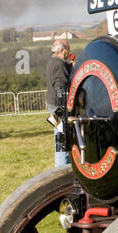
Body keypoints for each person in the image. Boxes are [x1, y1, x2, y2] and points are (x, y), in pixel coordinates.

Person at [46, 39, 73, 167]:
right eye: (68, 50)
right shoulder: (59, 64)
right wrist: (64, 108)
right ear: (62, 50)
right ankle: (61, 169)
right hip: (59, 106)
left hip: (52, 105)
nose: (68, 53)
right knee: (62, 142)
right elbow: (60, 87)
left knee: (59, 138)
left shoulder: (52, 62)